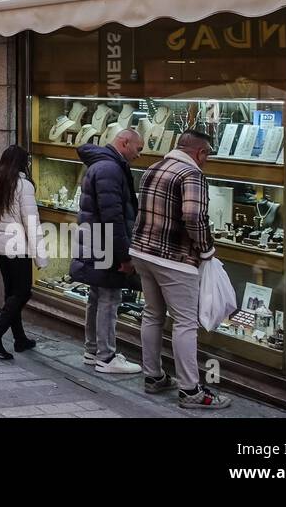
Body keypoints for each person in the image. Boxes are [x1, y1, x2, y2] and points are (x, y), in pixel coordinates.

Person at [130, 129, 230, 409]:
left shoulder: (154, 167)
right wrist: (206, 248)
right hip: (174, 258)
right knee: (185, 322)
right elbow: (193, 216)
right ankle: (190, 391)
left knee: (152, 315)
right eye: (207, 155)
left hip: (142, 251)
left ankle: (153, 376)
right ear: (200, 152)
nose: (206, 161)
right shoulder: (192, 174)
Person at [70, 128, 144, 375]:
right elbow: (113, 217)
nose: (139, 155)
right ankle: (106, 356)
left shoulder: (102, 165)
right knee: (109, 300)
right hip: (105, 245)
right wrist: (124, 256)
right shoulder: (110, 169)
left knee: (96, 297)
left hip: (96, 243)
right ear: (124, 142)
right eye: (138, 148)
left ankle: (93, 350)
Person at [0, 144, 47, 359]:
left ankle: (20, 339)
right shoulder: (23, 185)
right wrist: (40, 256)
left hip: (1, 245)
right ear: (21, 163)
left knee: (12, 293)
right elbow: (31, 222)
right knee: (22, 292)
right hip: (17, 246)